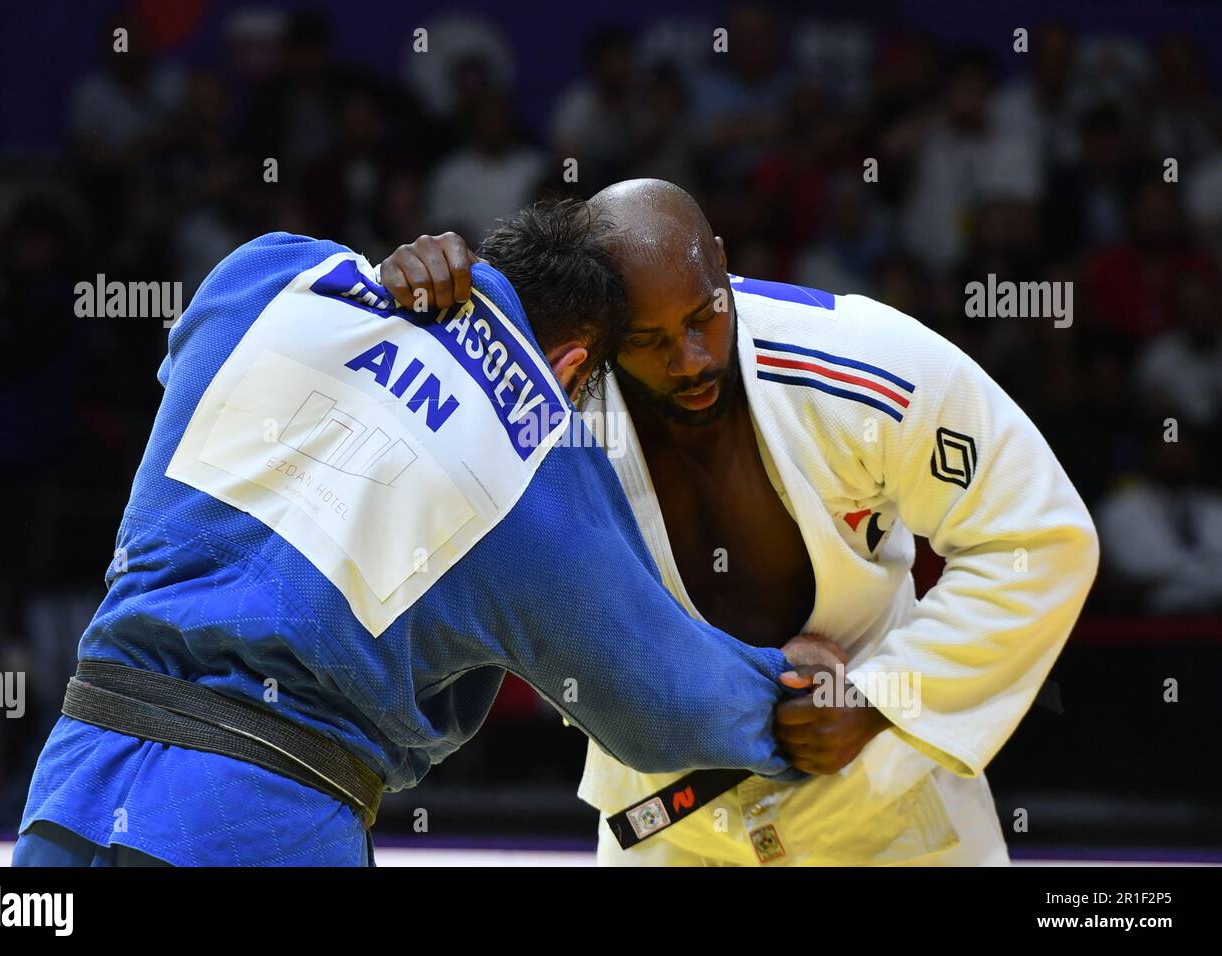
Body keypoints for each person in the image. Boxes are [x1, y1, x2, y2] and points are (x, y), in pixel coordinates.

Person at [12, 201, 810, 867]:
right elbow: (660, 702)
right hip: (261, 819)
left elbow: (185, 366)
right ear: (570, 365)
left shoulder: (267, 273)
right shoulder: (533, 455)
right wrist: (790, 698)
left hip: (70, 787)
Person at [385, 180, 1100, 866]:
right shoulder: (559, 399)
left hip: (887, 813)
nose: (691, 360)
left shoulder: (866, 363)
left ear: (722, 261)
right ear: (598, 327)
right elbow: (402, 506)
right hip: (670, 818)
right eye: (648, 340)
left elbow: (1038, 537)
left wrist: (883, 697)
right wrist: (410, 311)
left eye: (705, 316)